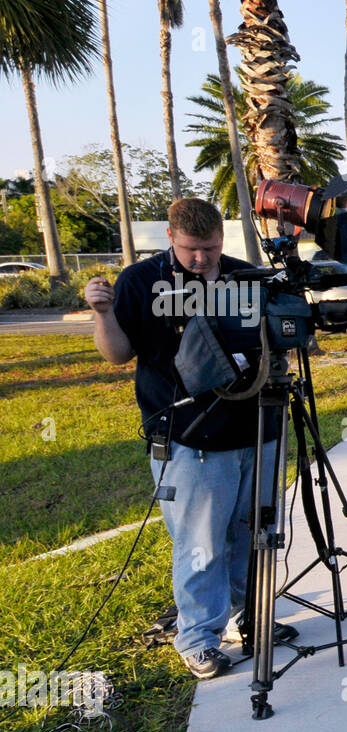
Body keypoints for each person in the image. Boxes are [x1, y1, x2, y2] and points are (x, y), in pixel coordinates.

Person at [84, 197, 293, 679]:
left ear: (224, 239)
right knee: (201, 542)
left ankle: (252, 619)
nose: (202, 259)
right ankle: (198, 637)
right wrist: (102, 313)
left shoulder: (244, 277)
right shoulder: (141, 281)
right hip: (187, 437)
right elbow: (117, 355)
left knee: (254, 534)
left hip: (255, 430)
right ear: (171, 240)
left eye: (211, 248)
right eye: (191, 250)